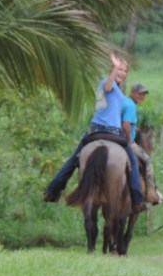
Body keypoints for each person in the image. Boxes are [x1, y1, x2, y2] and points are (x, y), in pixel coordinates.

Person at [43, 53, 145, 211]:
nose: (122, 73)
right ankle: (138, 200)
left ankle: (53, 190)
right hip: (112, 132)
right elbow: (108, 85)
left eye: (125, 71)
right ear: (112, 70)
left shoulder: (117, 90)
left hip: (95, 130)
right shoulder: (106, 83)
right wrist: (114, 69)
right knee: (132, 164)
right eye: (119, 70)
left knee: (72, 162)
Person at [122, 82, 163, 205]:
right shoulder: (131, 106)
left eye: (144, 94)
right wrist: (129, 140)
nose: (142, 97)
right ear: (132, 93)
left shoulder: (123, 101)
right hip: (125, 140)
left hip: (113, 135)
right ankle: (151, 192)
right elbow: (126, 125)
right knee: (147, 160)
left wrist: (135, 129)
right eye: (139, 94)